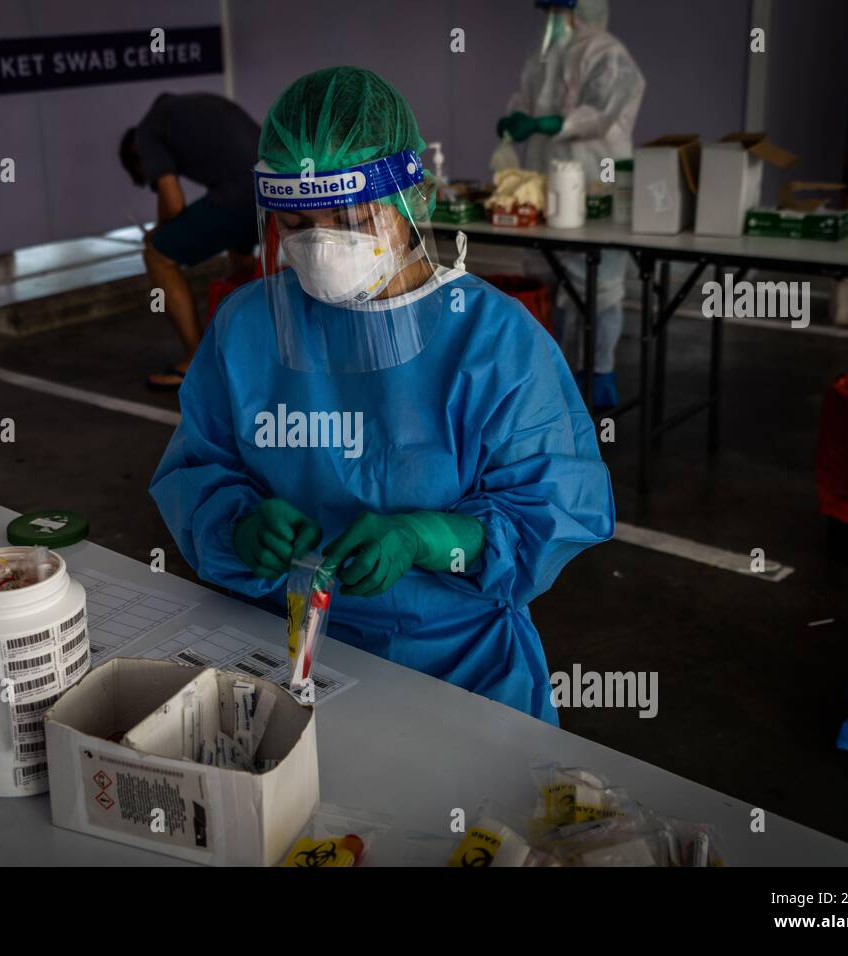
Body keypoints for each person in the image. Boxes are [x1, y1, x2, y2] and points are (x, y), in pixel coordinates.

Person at [150, 67, 614, 721]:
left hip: (452, 664)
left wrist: (433, 539)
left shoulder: (491, 340)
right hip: (280, 653)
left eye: (350, 215)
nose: (321, 242)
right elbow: (198, 468)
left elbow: (555, 509)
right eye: (295, 221)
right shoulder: (248, 327)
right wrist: (236, 523)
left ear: (409, 195)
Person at [495, 0, 644, 409]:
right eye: (548, 9)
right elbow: (525, 97)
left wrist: (550, 124)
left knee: (598, 284)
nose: (552, 18)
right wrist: (515, 118)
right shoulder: (542, 53)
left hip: (598, 179)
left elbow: (601, 112)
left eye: (560, 8)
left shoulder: (607, 52)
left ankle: (598, 370)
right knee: (545, 278)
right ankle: (549, 368)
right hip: (544, 184)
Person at [120, 92, 261, 390]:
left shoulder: (147, 132)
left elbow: (172, 202)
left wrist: (157, 233)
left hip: (240, 194)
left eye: (147, 176)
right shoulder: (196, 104)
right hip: (273, 190)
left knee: (158, 254)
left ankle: (196, 364)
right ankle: (252, 351)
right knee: (240, 259)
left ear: (136, 154)